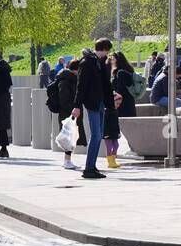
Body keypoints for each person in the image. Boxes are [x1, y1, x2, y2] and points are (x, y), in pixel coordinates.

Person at [72, 38, 114, 179]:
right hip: (93, 103)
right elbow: (81, 86)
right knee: (96, 135)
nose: (107, 54)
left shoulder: (99, 62)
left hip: (100, 102)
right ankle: (89, 168)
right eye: (107, 51)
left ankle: (92, 166)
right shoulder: (88, 62)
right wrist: (77, 105)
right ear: (102, 49)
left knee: (99, 134)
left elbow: (104, 83)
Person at [103, 51, 137, 169]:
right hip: (129, 103)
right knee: (129, 126)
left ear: (116, 60)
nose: (111, 61)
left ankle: (132, 148)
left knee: (117, 128)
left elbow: (119, 89)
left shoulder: (119, 73)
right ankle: (133, 148)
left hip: (121, 104)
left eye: (112, 59)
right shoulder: (128, 70)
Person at [56, 58, 82, 170]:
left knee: (70, 137)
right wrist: (72, 109)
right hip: (67, 113)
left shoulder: (69, 79)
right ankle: (67, 161)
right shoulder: (66, 80)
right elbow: (64, 98)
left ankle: (68, 160)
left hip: (69, 112)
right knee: (68, 137)